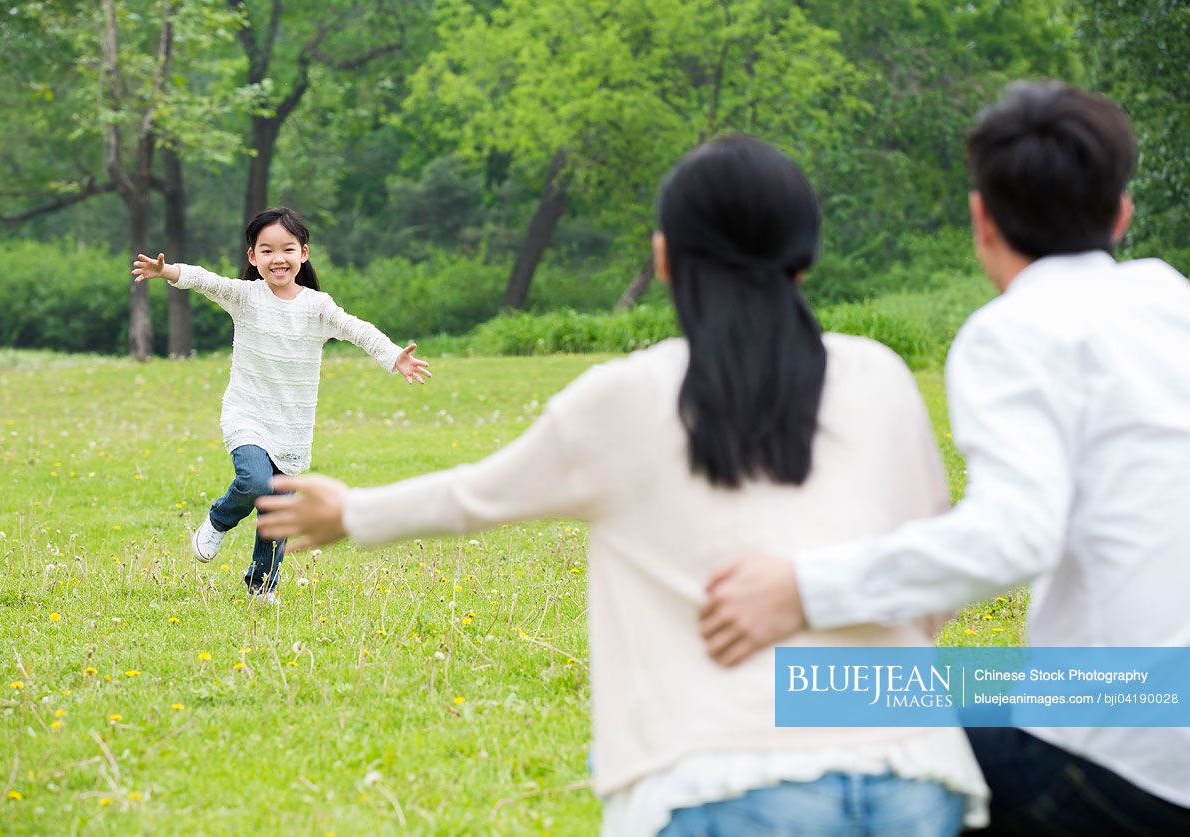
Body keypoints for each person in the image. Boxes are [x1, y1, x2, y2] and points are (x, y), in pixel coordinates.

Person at [256, 136, 989, 835]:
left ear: (665, 258)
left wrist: (351, 511)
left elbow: (475, 496)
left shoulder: (626, 395)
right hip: (916, 777)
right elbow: (934, 583)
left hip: (719, 784)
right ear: (806, 253)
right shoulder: (880, 375)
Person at [698, 83, 1190, 833]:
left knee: (808, 703)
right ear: (1121, 214)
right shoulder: (1171, 302)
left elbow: (1014, 536)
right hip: (1146, 694)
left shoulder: (1014, 330)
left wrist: (803, 587)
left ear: (979, 218)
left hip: (1127, 749)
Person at [131, 206, 431, 603]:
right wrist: (167, 271)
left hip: (292, 424)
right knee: (256, 482)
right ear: (253, 257)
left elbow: (358, 330)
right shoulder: (245, 296)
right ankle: (220, 518)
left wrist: (395, 356)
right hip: (247, 413)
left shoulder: (318, 307)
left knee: (278, 512)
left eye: (287, 249)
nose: (278, 259)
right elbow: (206, 281)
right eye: (267, 251)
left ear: (303, 253)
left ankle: (261, 586)